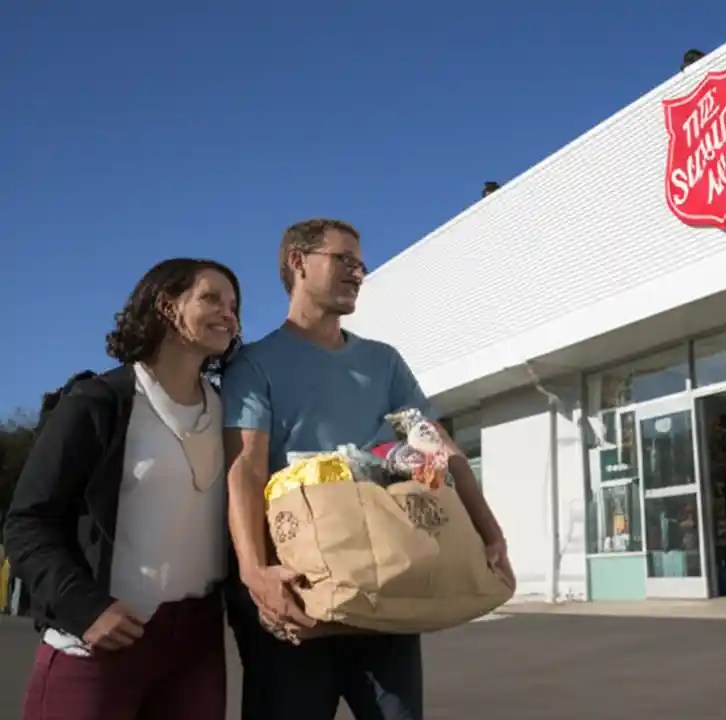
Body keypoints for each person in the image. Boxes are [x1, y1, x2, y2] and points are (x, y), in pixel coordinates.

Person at [222, 218, 513, 720]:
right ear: (298, 262)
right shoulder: (254, 365)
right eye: (344, 261)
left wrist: (490, 531)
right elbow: (245, 469)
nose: (359, 273)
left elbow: (437, 444)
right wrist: (253, 572)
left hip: (387, 593)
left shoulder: (384, 363)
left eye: (360, 264)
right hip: (297, 593)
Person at [3, 258, 241, 720]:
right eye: (212, 298)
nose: (229, 314)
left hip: (197, 644)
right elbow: (28, 522)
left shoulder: (233, 414)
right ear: (166, 305)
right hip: (98, 640)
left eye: (234, 305)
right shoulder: (97, 403)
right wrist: (84, 608)